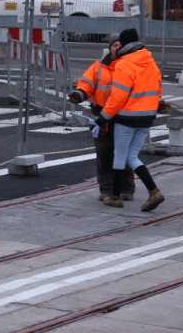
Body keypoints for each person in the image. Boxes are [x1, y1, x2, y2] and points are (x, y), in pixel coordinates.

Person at [97, 29, 166, 212]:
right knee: (132, 156)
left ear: (125, 44)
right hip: (147, 117)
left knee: (120, 156)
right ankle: (153, 191)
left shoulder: (123, 64)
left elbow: (118, 97)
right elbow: (159, 89)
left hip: (127, 117)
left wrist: (103, 117)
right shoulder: (150, 62)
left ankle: (115, 197)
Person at [67, 38, 123, 201]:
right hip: (101, 115)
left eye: (120, 45)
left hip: (123, 115)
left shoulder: (129, 67)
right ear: (110, 48)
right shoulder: (98, 67)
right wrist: (80, 94)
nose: (117, 48)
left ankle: (126, 188)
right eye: (114, 45)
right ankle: (106, 189)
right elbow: (87, 83)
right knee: (104, 152)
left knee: (123, 154)